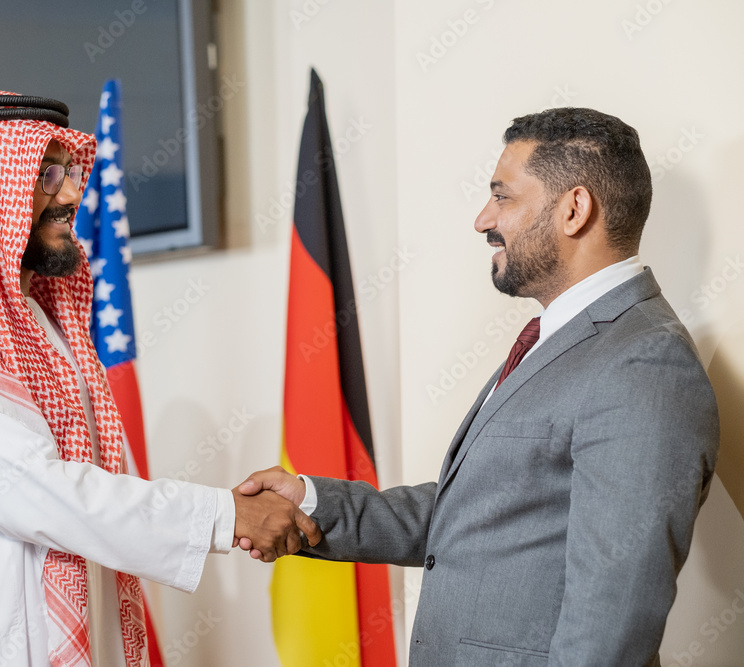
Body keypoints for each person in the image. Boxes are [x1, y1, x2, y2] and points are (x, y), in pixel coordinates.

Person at [0, 90, 318, 667]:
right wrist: (225, 515)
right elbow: (30, 490)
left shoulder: (37, 316)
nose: (71, 193)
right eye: (44, 174)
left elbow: (88, 476)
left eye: (68, 172)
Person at [237, 107, 720, 665]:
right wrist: (313, 502)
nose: (482, 219)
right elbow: (474, 515)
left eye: (503, 197)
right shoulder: (560, 338)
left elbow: (612, 625)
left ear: (574, 209)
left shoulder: (645, 363)